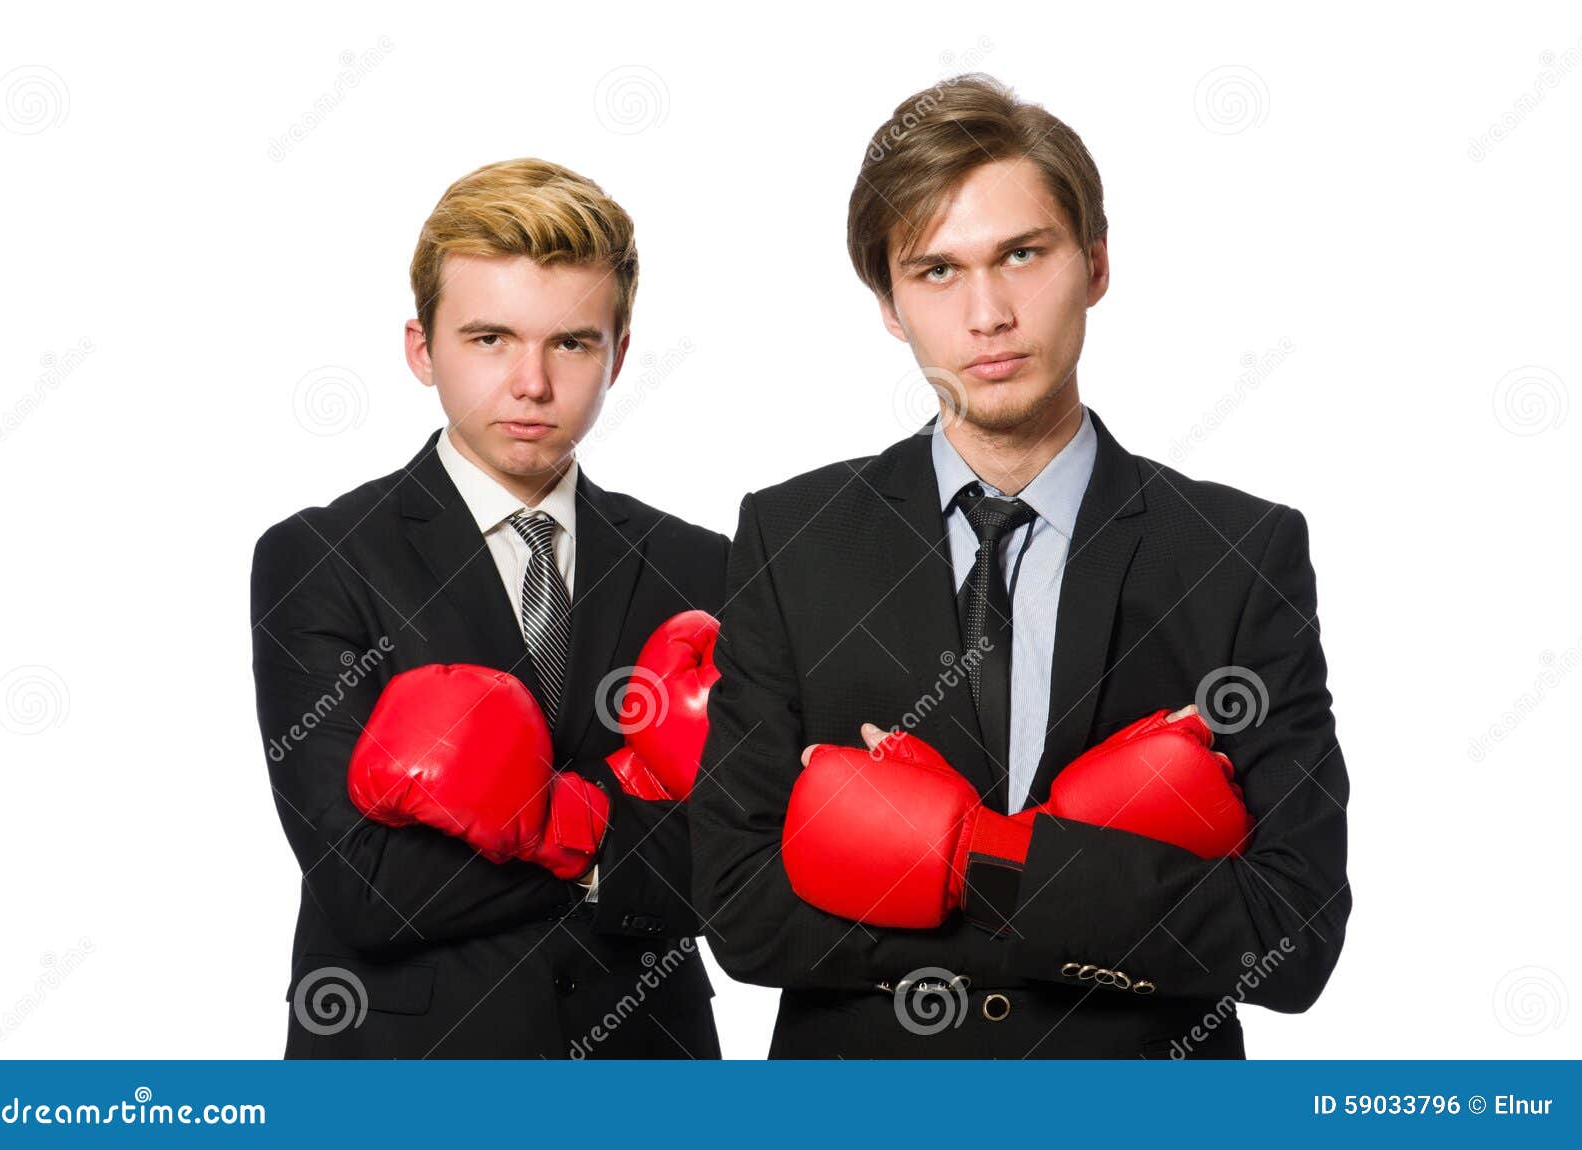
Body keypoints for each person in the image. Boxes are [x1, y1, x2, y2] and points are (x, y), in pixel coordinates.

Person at [691, 74, 1351, 1059]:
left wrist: (974, 862)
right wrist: (1082, 888)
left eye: (1020, 255)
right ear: (887, 304)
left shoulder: (1235, 556)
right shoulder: (795, 539)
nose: (987, 313)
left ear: (1093, 264)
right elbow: (741, 908)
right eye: (936, 272)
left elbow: (1294, 934)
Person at [251, 158, 725, 1058]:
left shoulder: (703, 566)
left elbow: (739, 866)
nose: (533, 383)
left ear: (619, 354)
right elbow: (366, 885)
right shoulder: (320, 558)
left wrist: (549, 828)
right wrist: (611, 844)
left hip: (650, 1065)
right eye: (489, 339)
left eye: (572, 343)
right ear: (421, 348)